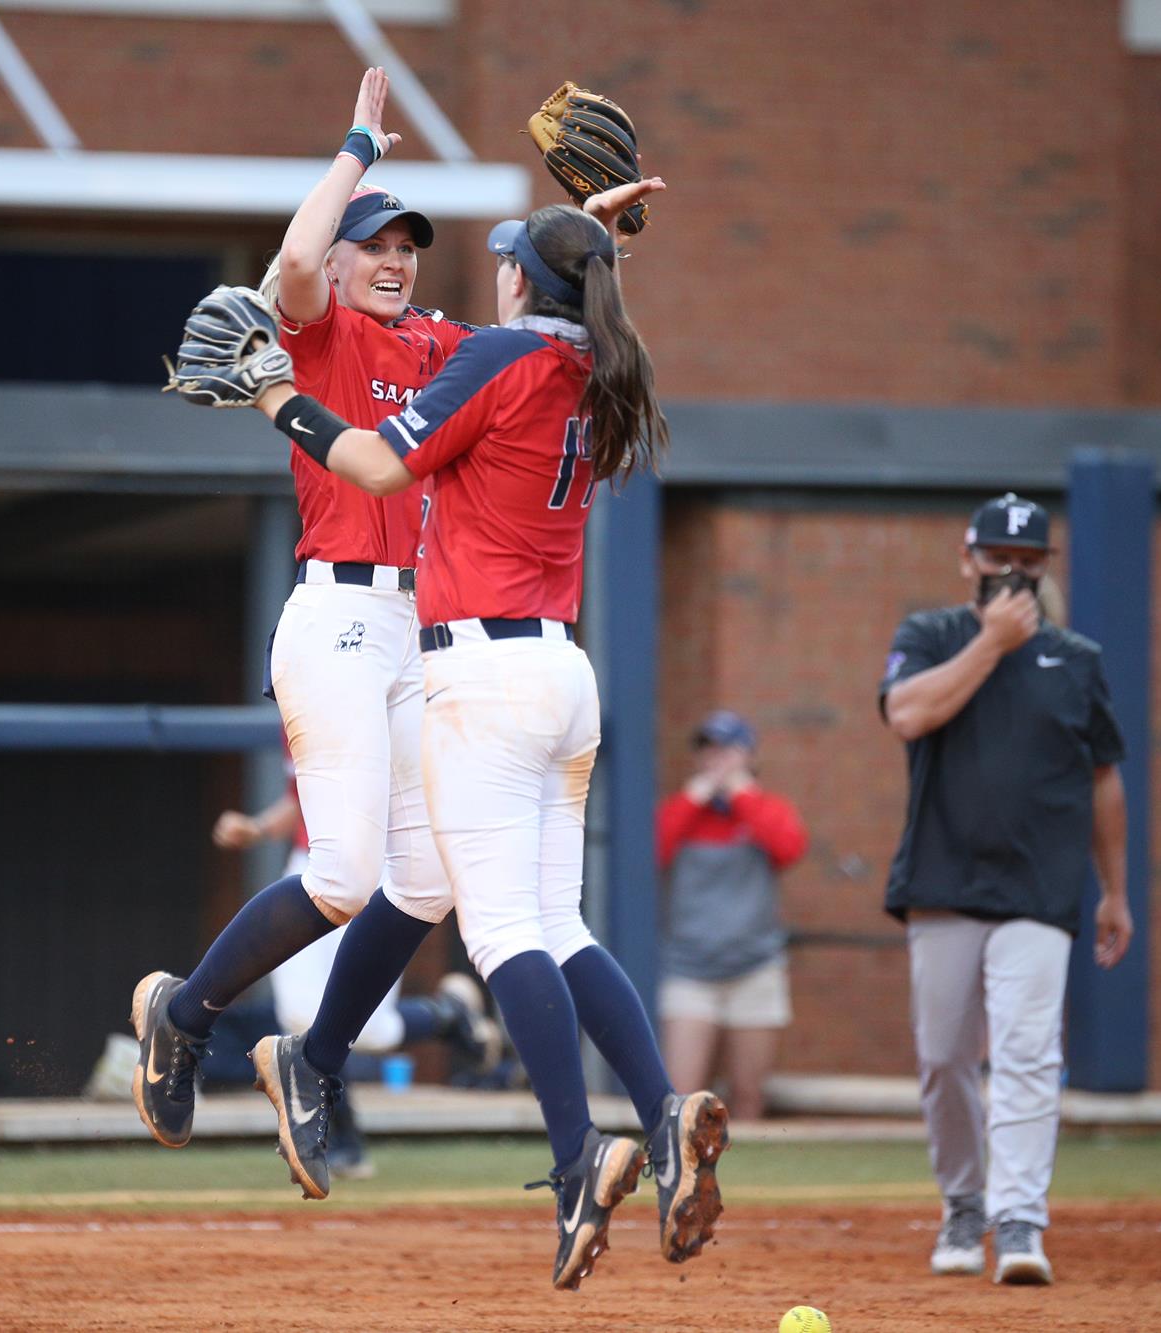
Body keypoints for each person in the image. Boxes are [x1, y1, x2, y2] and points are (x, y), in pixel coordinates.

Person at [240, 181, 731, 1291]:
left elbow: (370, 463)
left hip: (479, 670)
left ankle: (574, 1164)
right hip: (564, 668)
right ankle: (655, 1120)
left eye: (511, 258)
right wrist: (590, 238)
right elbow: (582, 296)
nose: (494, 268)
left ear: (521, 283)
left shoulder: (497, 357)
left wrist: (275, 397)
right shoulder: (599, 367)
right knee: (553, 916)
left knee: (501, 928)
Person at [129, 68, 475, 1163]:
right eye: (372, 243)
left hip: (420, 632)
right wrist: (356, 154)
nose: (390, 258)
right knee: (339, 877)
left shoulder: (439, 342)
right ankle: (182, 1020)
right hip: (334, 616)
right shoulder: (318, 333)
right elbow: (286, 263)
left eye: (404, 246)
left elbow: (539, 343)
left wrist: (596, 250)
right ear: (338, 261)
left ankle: (312, 1058)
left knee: (427, 881)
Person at [878, 492, 1133, 1286]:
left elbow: (1104, 779)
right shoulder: (929, 636)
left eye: (1029, 562)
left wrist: (1114, 891)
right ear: (969, 558)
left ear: (1044, 567)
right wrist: (991, 643)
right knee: (943, 1056)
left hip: (1041, 890)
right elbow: (907, 715)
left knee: (1026, 1054)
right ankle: (964, 1202)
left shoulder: (1076, 659)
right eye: (998, 560)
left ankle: (1019, 1218)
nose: (1013, 575)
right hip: (944, 881)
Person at [204, 744, 502, 1178]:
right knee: (299, 1014)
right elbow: (301, 795)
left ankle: (444, 1023)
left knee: (361, 1025)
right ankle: (444, 1022)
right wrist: (258, 827)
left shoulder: (371, 683)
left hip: (369, 864)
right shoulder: (292, 699)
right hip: (310, 863)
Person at [656, 708, 808, 1121]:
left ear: (750, 757)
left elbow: (788, 847)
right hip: (690, 970)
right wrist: (694, 798)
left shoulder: (767, 808)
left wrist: (743, 796)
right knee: (680, 1095)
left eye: (728, 752)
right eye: (708, 753)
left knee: (747, 1094)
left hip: (755, 968)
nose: (717, 762)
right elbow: (655, 848)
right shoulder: (683, 810)